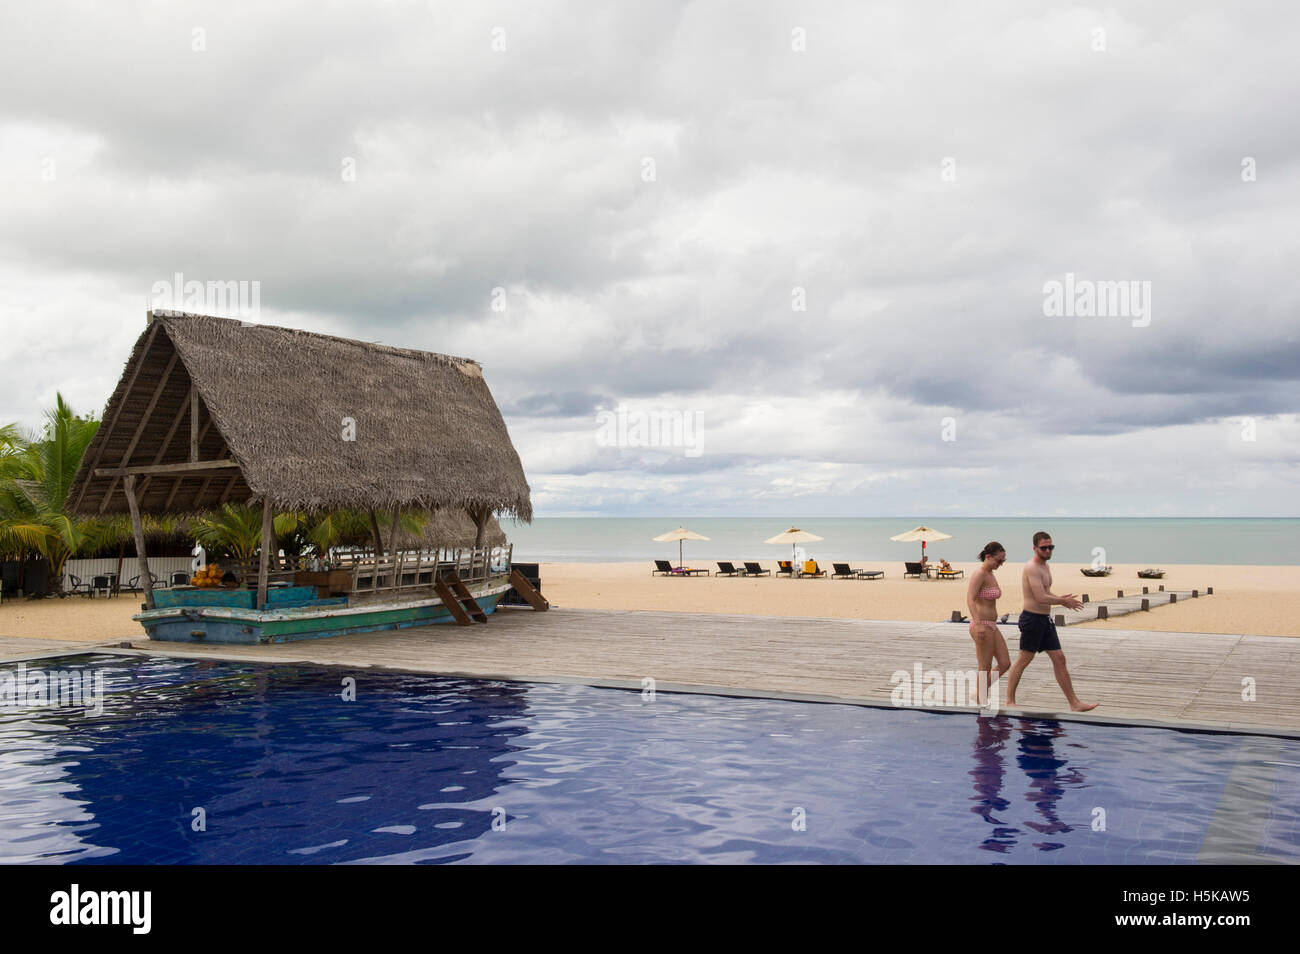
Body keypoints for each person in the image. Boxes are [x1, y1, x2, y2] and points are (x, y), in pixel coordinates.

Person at [1004, 531, 1098, 712]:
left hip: (1045, 619)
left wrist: (1060, 599)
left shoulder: (1046, 566)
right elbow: (1039, 597)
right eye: (1044, 548)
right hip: (1032, 619)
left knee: (1059, 658)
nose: (1048, 550)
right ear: (1035, 548)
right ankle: (1009, 700)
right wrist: (1063, 601)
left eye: (1050, 547)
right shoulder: (1031, 567)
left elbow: (1045, 593)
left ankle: (1074, 703)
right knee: (1024, 659)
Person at [966, 542, 1010, 708]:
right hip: (981, 624)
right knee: (985, 665)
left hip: (992, 624)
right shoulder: (980, 574)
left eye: (1003, 561)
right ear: (988, 556)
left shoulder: (991, 574)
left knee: (1005, 663)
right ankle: (981, 699)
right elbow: (970, 599)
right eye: (999, 561)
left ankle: (978, 693)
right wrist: (978, 624)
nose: (1001, 564)